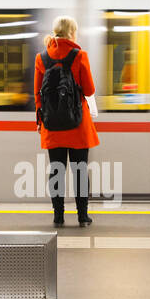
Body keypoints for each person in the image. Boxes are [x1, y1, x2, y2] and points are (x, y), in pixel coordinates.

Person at [35, 16, 99, 227]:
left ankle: (58, 216)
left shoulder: (41, 58)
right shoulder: (79, 55)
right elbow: (89, 90)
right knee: (79, 169)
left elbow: (38, 95)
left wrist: (40, 120)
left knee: (56, 170)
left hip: (52, 125)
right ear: (72, 33)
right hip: (77, 124)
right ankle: (82, 216)